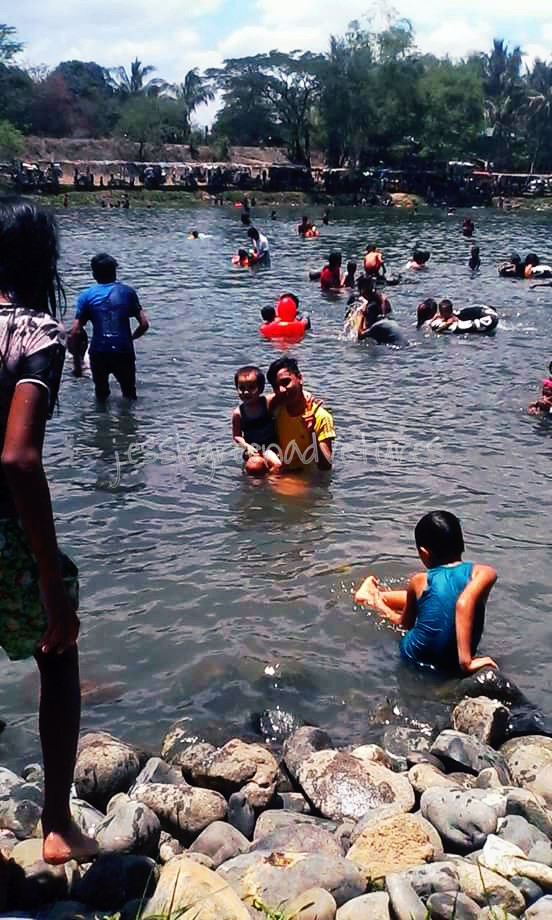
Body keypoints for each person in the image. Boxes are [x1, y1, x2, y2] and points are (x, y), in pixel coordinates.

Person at [0, 197, 99, 865]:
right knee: (57, 650)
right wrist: (45, 570)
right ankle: (58, 825)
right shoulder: (38, 333)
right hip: (5, 529)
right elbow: (17, 456)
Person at [355, 510, 497, 674]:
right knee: (438, 598)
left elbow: (404, 624)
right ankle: (374, 596)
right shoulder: (484, 573)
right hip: (447, 662)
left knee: (417, 604)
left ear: (424, 553)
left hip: (414, 654)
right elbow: (464, 602)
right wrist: (466, 661)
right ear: (462, 544)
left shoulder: (419, 580)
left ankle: (374, 599)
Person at [69, 253, 149, 402]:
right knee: (130, 395)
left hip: (99, 351)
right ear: (114, 272)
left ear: (94, 274)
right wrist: (130, 338)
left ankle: (99, 425)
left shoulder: (86, 296)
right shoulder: (128, 292)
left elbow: (75, 332)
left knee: (101, 395)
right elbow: (144, 325)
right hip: (123, 350)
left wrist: (77, 364)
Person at [267, 357, 335, 471]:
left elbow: (326, 466)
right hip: (281, 469)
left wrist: (311, 432)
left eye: (286, 382)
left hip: (305, 476)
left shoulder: (321, 416)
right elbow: (251, 403)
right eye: (276, 386)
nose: (281, 390)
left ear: (300, 378)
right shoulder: (276, 407)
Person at [232, 366, 282, 476]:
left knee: (277, 464)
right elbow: (237, 435)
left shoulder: (267, 402)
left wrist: (309, 399)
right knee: (255, 468)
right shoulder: (239, 413)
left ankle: (272, 484)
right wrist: (246, 446)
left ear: (260, 389)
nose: (246, 392)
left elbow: (284, 394)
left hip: (272, 446)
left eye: (251, 388)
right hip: (253, 449)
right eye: (241, 388)